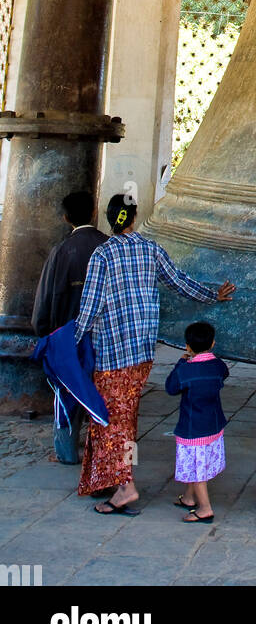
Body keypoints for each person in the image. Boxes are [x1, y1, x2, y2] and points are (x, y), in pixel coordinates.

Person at [75, 192, 235, 516]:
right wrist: (212, 294)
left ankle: (124, 487)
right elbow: (179, 282)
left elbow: (90, 308)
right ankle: (111, 479)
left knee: (111, 423)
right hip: (141, 354)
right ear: (133, 218)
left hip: (111, 354)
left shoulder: (102, 255)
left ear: (108, 219)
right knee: (126, 418)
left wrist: (71, 341)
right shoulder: (150, 249)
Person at [31, 190, 108, 464]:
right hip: (105, 336)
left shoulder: (62, 251)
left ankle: (66, 454)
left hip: (68, 336)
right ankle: (103, 455)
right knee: (103, 394)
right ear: (94, 212)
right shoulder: (109, 246)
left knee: (67, 394)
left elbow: (46, 298)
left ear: (65, 218)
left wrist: (43, 332)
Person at [166, 321, 230, 524]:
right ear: (213, 343)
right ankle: (189, 497)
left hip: (193, 429)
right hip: (214, 425)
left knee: (197, 470)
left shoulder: (185, 371)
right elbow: (224, 375)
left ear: (187, 346)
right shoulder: (218, 366)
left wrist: (181, 363)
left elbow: (171, 388)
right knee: (200, 464)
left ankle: (205, 508)